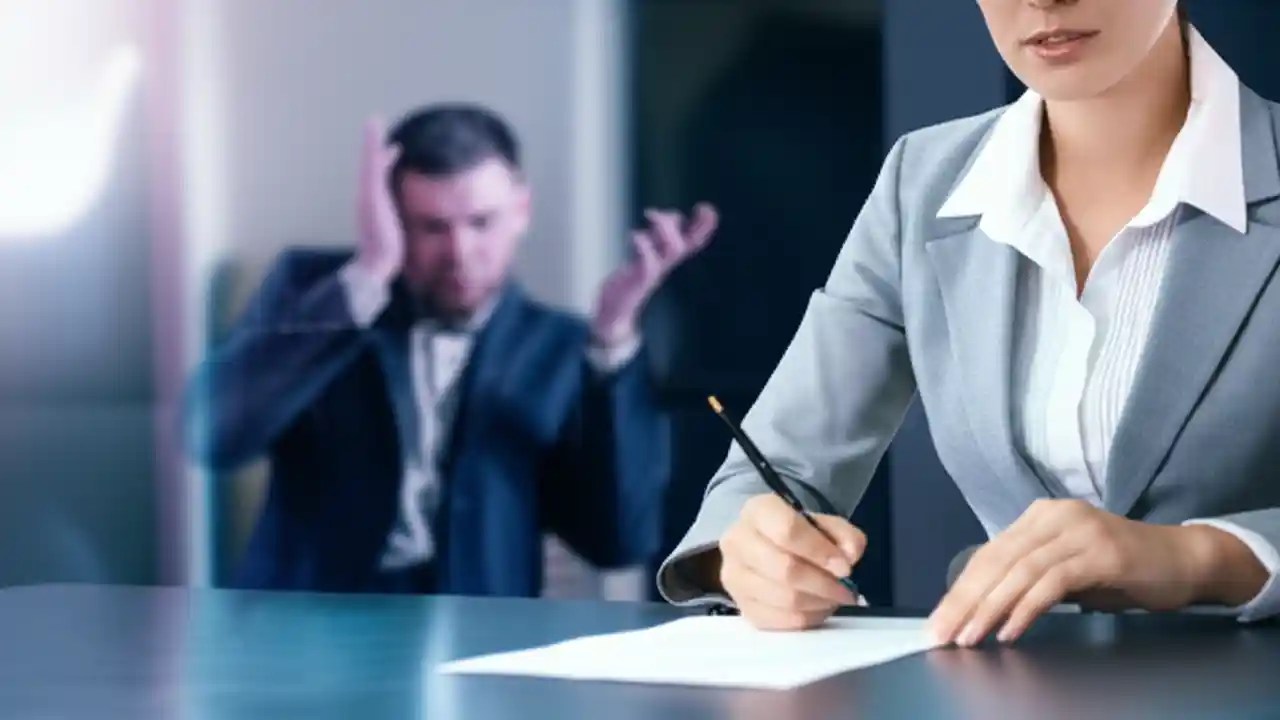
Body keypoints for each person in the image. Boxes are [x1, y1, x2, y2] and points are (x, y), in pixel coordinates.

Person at [659, 0, 1280, 644]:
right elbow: (776, 467)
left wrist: (1199, 558)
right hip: (1009, 676)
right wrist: (751, 554)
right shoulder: (924, 182)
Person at [187, 104, 718, 595]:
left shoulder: (560, 347)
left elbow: (620, 543)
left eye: (481, 223)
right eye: (432, 227)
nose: (459, 253)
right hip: (309, 630)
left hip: (478, 632)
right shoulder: (313, 293)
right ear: (392, 216)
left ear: (521, 210)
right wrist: (368, 275)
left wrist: (613, 338)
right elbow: (212, 436)